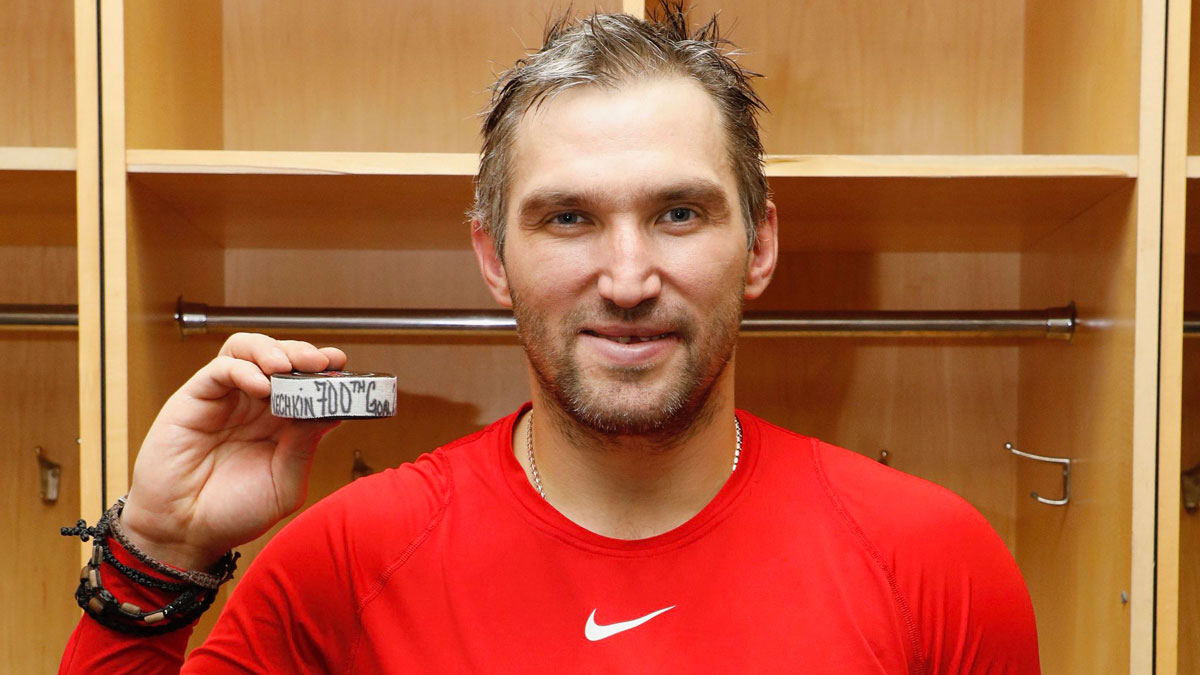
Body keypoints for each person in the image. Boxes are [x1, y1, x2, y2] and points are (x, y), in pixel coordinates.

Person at [60, 7, 1040, 674]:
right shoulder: (346, 560)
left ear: (759, 245)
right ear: (494, 258)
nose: (627, 278)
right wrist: (160, 550)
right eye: (569, 218)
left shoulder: (936, 563)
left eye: (680, 213)